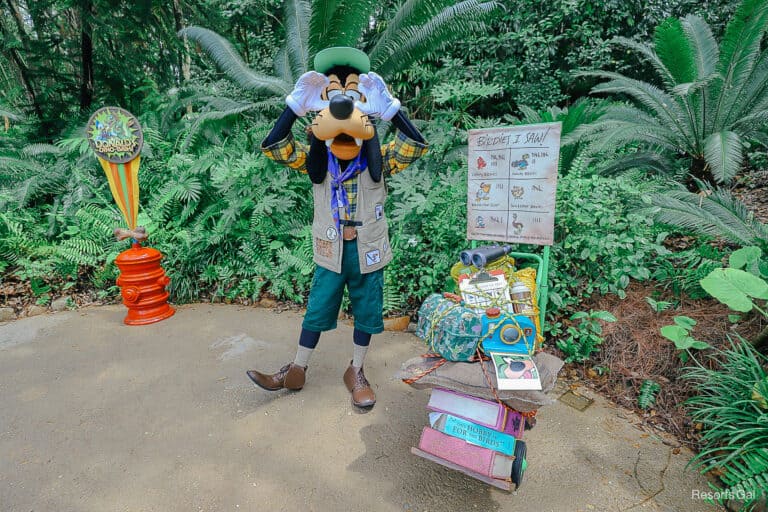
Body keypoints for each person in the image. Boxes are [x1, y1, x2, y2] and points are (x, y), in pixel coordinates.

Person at [246, 47, 427, 408]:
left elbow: (415, 145)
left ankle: (356, 370)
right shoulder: (318, 163)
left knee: (367, 310)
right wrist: (294, 107)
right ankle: (295, 369)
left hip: (368, 248)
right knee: (318, 308)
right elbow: (275, 146)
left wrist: (391, 111)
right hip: (331, 249)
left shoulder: (382, 160)